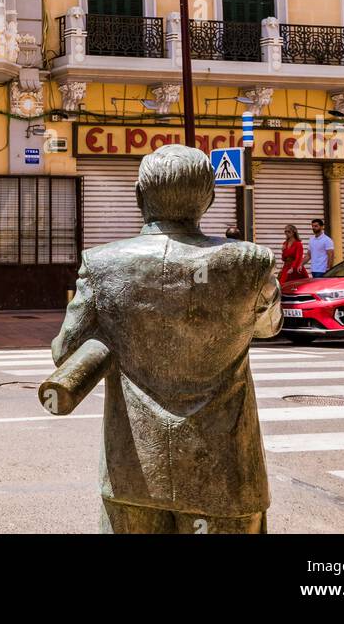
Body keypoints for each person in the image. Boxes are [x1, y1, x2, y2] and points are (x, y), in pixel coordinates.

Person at [49, 144, 282, 534]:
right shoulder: (252, 262)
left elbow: (65, 352)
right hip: (227, 473)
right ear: (209, 199)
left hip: (133, 471)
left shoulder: (101, 263)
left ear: (140, 196)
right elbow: (267, 327)